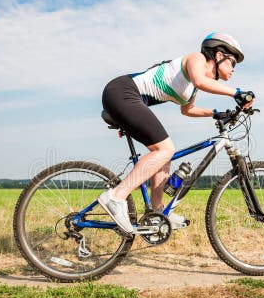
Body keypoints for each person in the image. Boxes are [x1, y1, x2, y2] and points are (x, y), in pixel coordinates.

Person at [97, 32, 255, 234]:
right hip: (123, 92)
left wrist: (215, 113)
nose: (233, 69)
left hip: (128, 99)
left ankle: (158, 212)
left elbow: (187, 110)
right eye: (232, 62)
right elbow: (200, 80)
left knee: (164, 155)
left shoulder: (192, 88)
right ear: (218, 55)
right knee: (166, 149)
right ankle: (115, 197)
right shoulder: (196, 59)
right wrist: (237, 92)